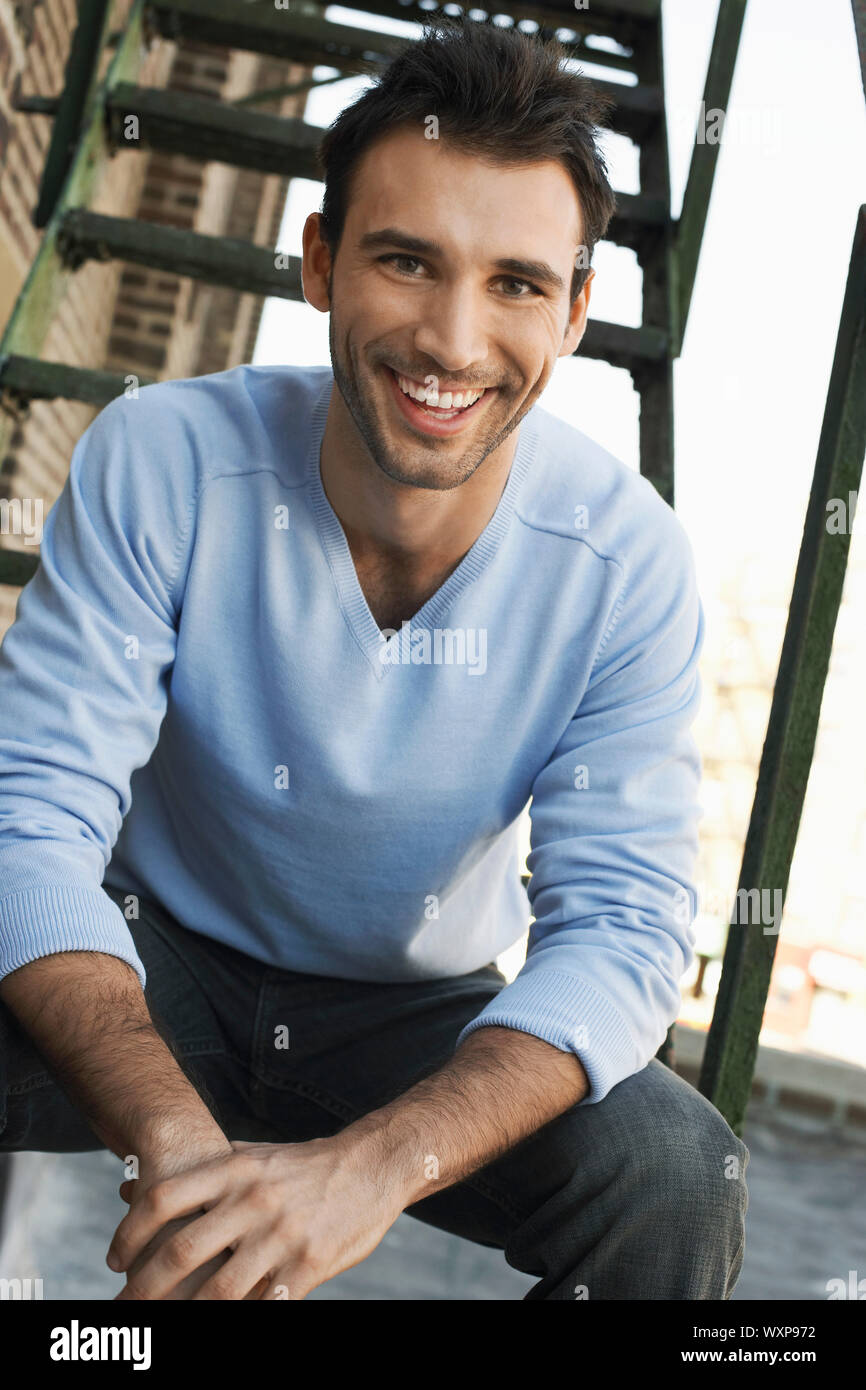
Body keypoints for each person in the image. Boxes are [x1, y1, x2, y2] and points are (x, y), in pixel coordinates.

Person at [0, 17, 747, 1301]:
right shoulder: (164, 458)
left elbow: (620, 930)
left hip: (413, 1018)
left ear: (573, 314)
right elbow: (28, 820)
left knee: (674, 1180)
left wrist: (374, 1166)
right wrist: (182, 1150)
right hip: (154, 948)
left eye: (516, 282)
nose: (453, 341)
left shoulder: (625, 562)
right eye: (406, 261)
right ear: (321, 263)